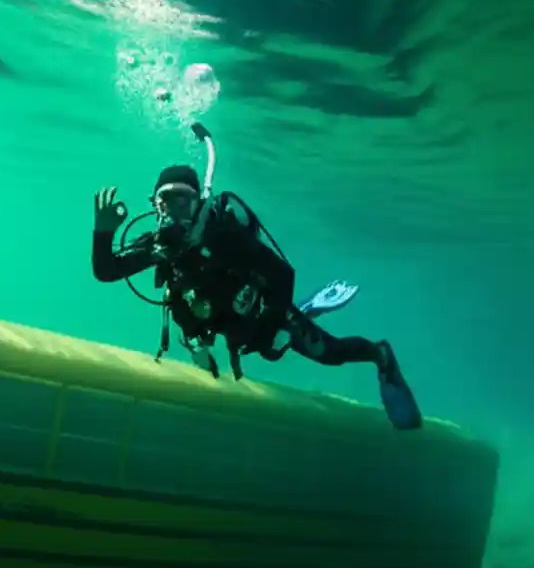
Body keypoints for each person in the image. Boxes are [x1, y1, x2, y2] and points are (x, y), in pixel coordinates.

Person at [90, 163, 422, 431]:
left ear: (198, 203)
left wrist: (272, 328)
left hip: (260, 314)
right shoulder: (158, 245)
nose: (175, 212)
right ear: (154, 205)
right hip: (213, 320)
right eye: (166, 202)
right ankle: (221, 334)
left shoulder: (225, 237)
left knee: (324, 353)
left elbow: (282, 275)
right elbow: (107, 270)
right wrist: (103, 232)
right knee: (221, 327)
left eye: (183, 201)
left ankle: (380, 355)